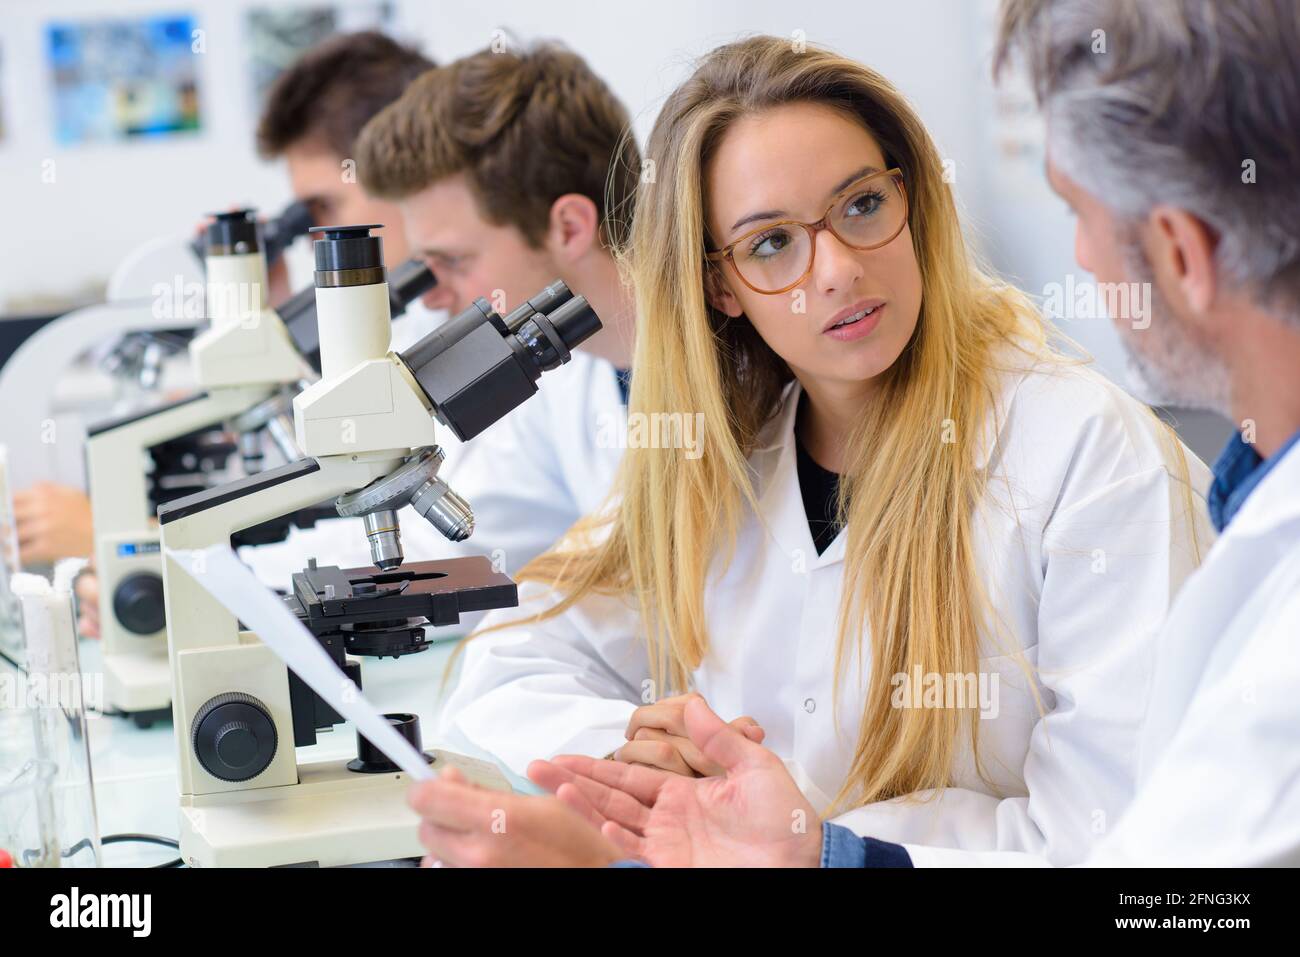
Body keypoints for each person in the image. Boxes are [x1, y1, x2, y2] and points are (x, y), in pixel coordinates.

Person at [424, 0, 1300, 868]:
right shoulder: (720, 454)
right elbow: (502, 662)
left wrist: (809, 836)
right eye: (771, 244)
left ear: (911, 201)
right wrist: (637, 752)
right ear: (719, 286)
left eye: (862, 205)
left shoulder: (1084, 455)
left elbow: (1120, 853)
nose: (838, 269)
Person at [237, 41, 642, 641]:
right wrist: (226, 584)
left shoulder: (734, 375)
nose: (429, 296)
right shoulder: (574, 377)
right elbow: (473, 546)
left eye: (452, 260)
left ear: (570, 227)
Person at [68, 32, 435, 637]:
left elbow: (420, 550)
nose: (312, 235)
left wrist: (157, 561)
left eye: (320, 209)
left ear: (409, 174)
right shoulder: (407, 323)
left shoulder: (452, 330)